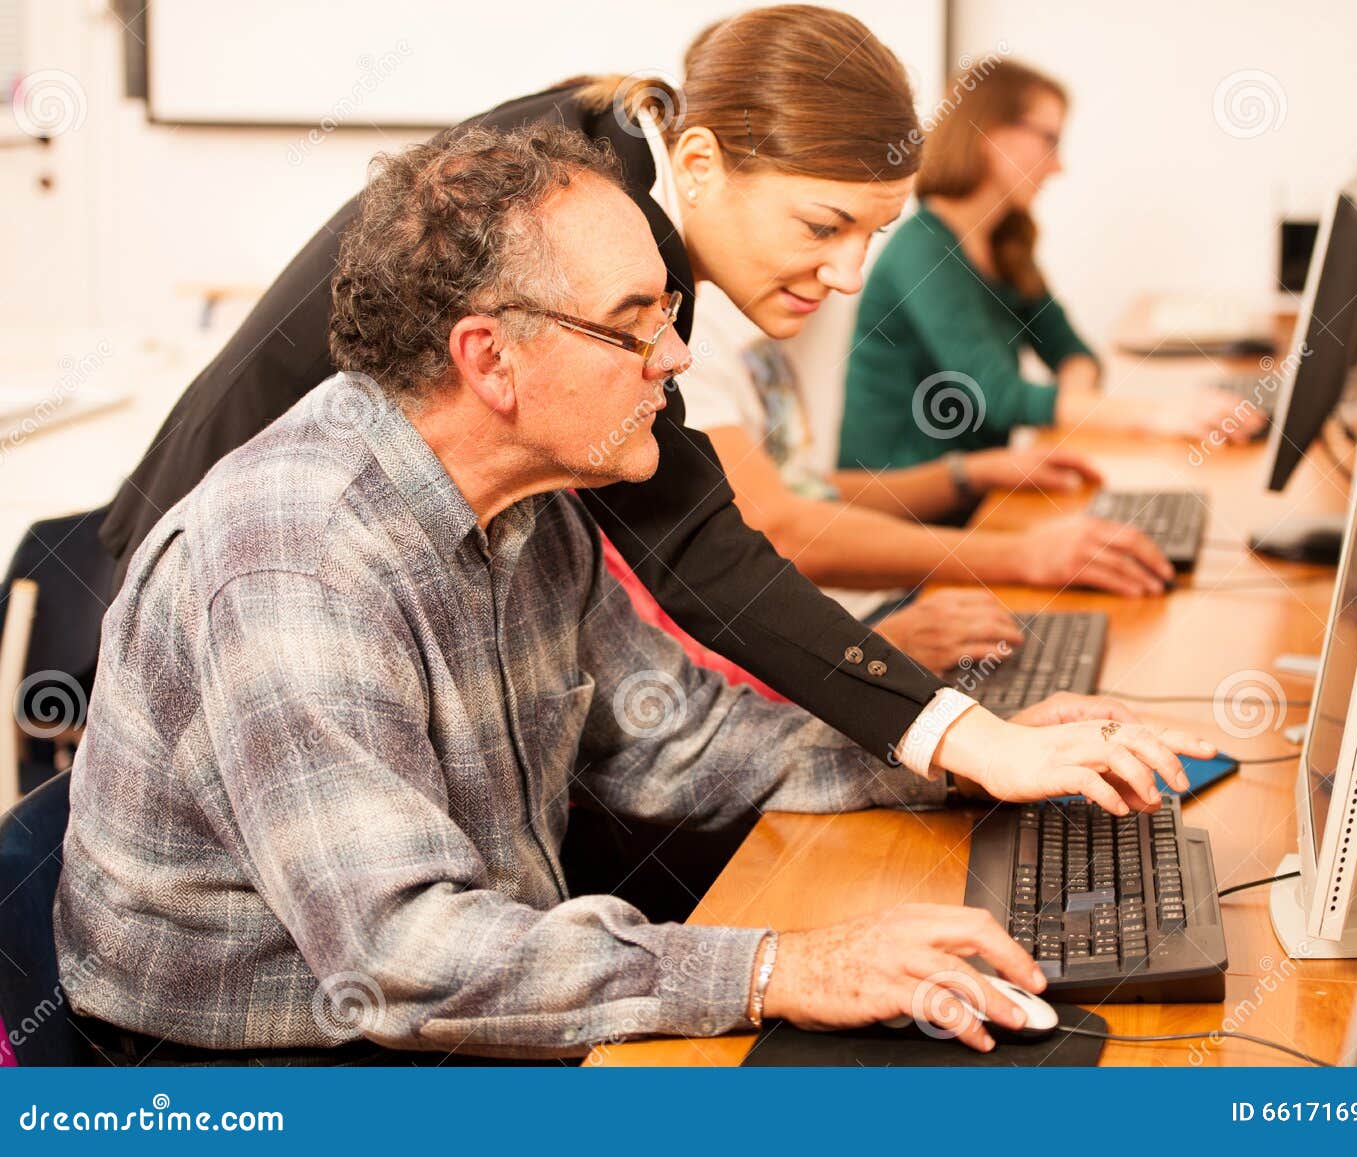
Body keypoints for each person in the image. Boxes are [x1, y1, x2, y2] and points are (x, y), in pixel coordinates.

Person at [56, 125, 1210, 1062]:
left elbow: (677, 739)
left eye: (667, 311)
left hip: (445, 1006)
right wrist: (778, 965)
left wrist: (962, 760)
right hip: (262, 1067)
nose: (675, 355)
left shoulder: (531, 501)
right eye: (631, 325)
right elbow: (401, 953)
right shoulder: (297, 563)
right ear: (488, 359)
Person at [93, 5, 1121, 802]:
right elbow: (699, 543)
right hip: (237, 587)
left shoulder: (613, 151)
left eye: (872, 235)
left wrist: (944, 733)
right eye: (821, 226)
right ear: (701, 164)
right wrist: (960, 734)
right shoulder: (600, 229)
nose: (848, 274)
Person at [675, 284, 1175, 669]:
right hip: (840, 637)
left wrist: (968, 474)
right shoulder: (687, 344)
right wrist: (1023, 555)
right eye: (824, 227)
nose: (849, 277)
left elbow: (801, 491)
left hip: (871, 611)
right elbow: (782, 531)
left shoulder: (738, 323)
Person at [839, 60, 1266, 473]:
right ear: (989, 133)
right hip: (899, 505)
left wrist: (1076, 404)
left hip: (980, 489)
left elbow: (1073, 352)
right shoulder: (922, 248)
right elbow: (1000, 397)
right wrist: (1155, 415)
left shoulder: (1005, 243)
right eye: (1050, 140)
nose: (1059, 166)